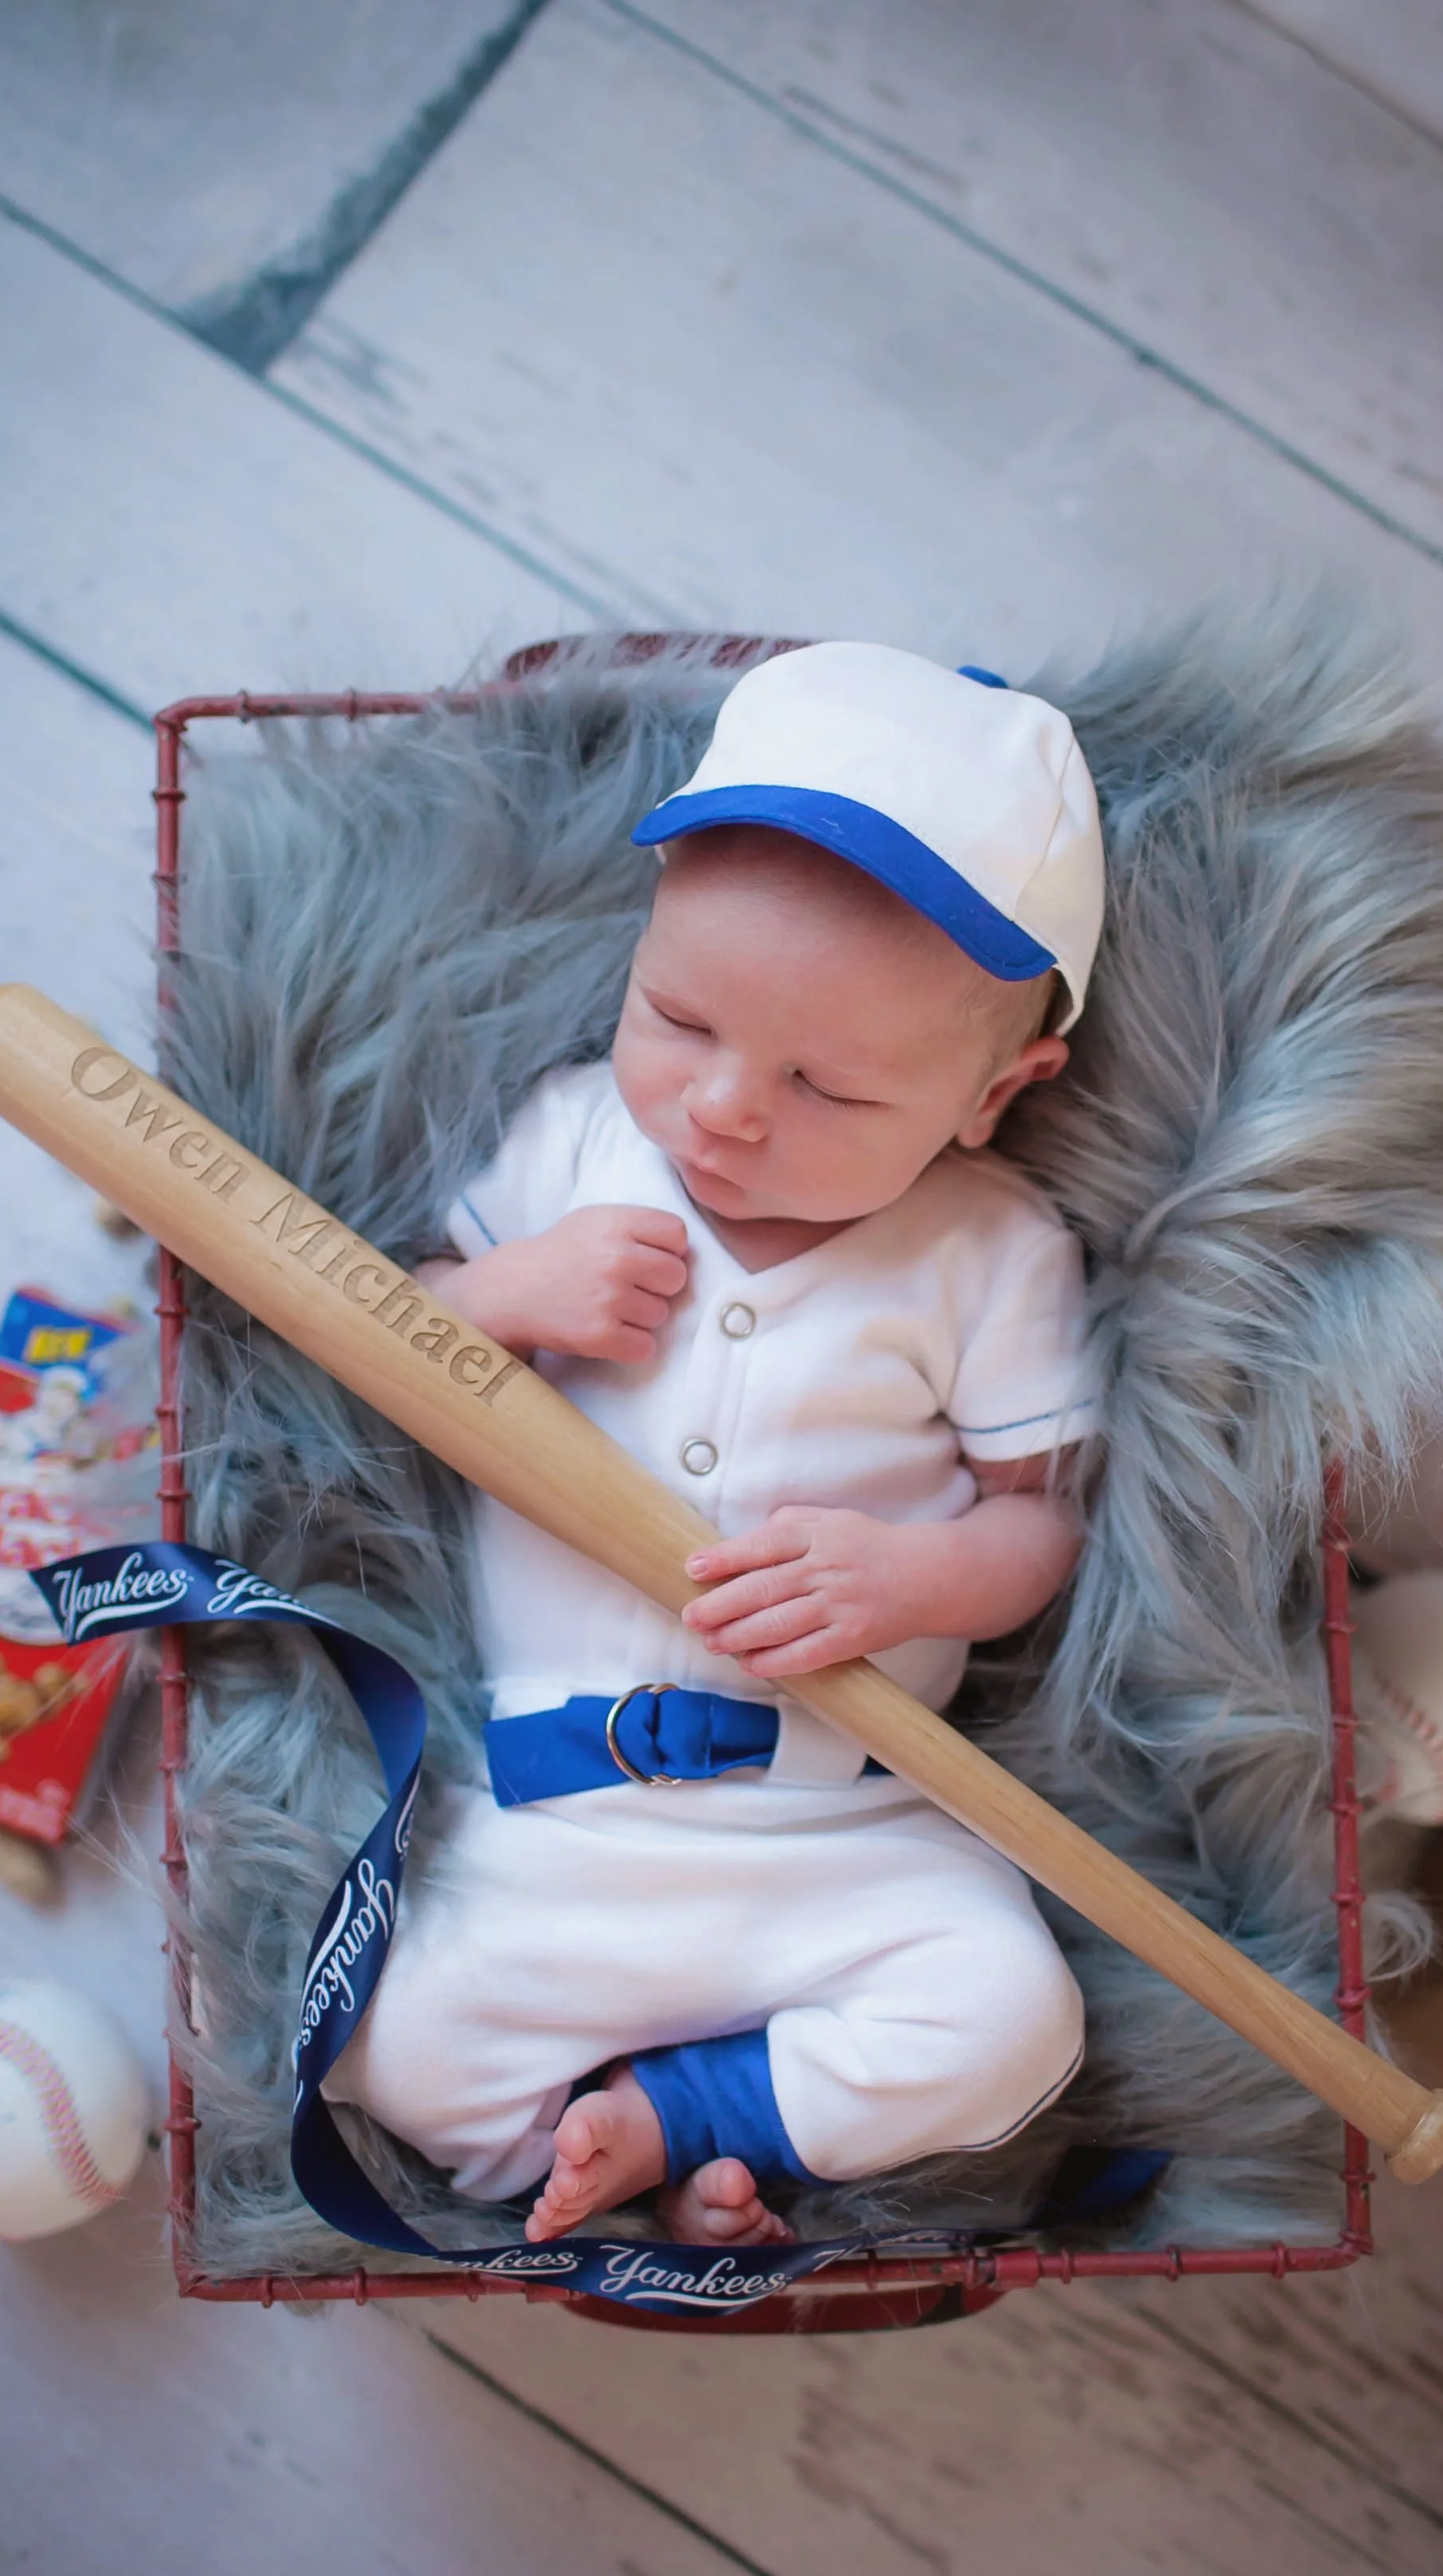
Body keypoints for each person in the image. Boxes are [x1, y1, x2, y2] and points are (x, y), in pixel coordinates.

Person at [325, 641, 1107, 2246]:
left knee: (1014, 2013)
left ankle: (686, 2119)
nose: (727, 1111)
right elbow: (370, 1331)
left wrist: (913, 1574)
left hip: (839, 1824)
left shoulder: (991, 1250)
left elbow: (1042, 1529)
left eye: (827, 1086)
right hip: (558, 1822)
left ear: (995, 1092)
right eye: (678, 1017)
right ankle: (637, 2157)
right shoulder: (572, 1141)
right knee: (391, 2056)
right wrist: (499, 1295)